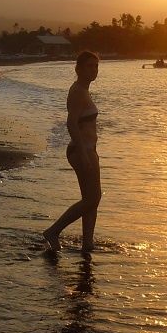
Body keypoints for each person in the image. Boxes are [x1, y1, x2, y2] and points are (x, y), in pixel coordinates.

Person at [43, 51, 102, 253]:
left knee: (91, 200)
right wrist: (84, 154)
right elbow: (71, 123)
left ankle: (87, 243)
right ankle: (53, 231)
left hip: (88, 150)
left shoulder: (84, 90)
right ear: (78, 69)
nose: (93, 70)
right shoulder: (77, 91)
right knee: (92, 199)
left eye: (96, 66)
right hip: (81, 151)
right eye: (89, 66)